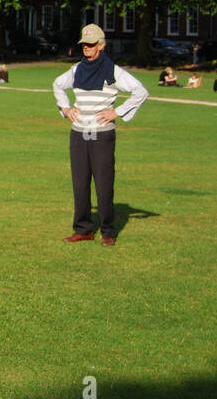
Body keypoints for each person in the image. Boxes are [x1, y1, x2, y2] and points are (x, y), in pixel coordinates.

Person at [52, 24, 148, 246]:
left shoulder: (113, 71)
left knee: (104, 185)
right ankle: (83, 229)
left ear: (102, 46)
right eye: (84, 44)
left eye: (92, 44)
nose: (87, 47)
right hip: (78, 134)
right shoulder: (76, 70)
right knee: (80, 184)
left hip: (102, 135)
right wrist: (65, 109)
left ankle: (107, 232)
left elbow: (141, 91)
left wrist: (117, 111)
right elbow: (57, 85)